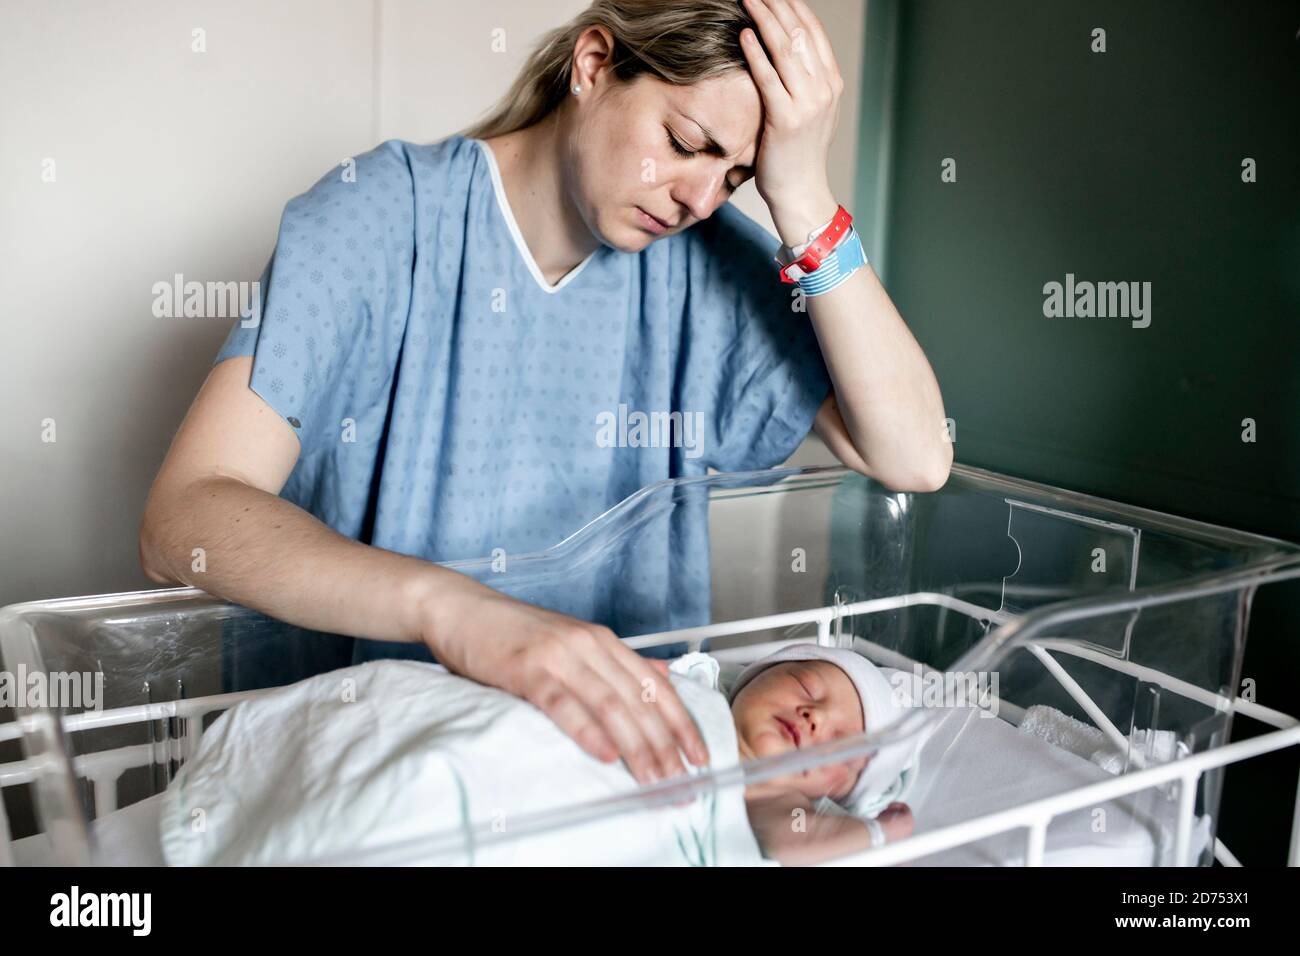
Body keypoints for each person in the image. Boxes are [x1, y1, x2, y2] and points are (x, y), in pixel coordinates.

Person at [139, 0, 951, 790]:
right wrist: (457, 614)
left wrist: (803, 201)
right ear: (592, 65)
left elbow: (914, 456)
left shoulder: (711, 263)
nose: (699, 200)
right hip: (371, 771)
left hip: (610, 781)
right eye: (683, 142)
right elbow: (185, 517)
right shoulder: (383, 216)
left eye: (735, 174)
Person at [159, 646, 920, 866]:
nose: (815, 718)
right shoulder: (679, 688)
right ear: (750, 679)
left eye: (844, 746)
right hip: (513, 742)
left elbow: (799, 843)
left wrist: (882, 834)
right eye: (807, 684)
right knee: (436, 753)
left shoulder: (766, 803)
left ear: (834, 794)